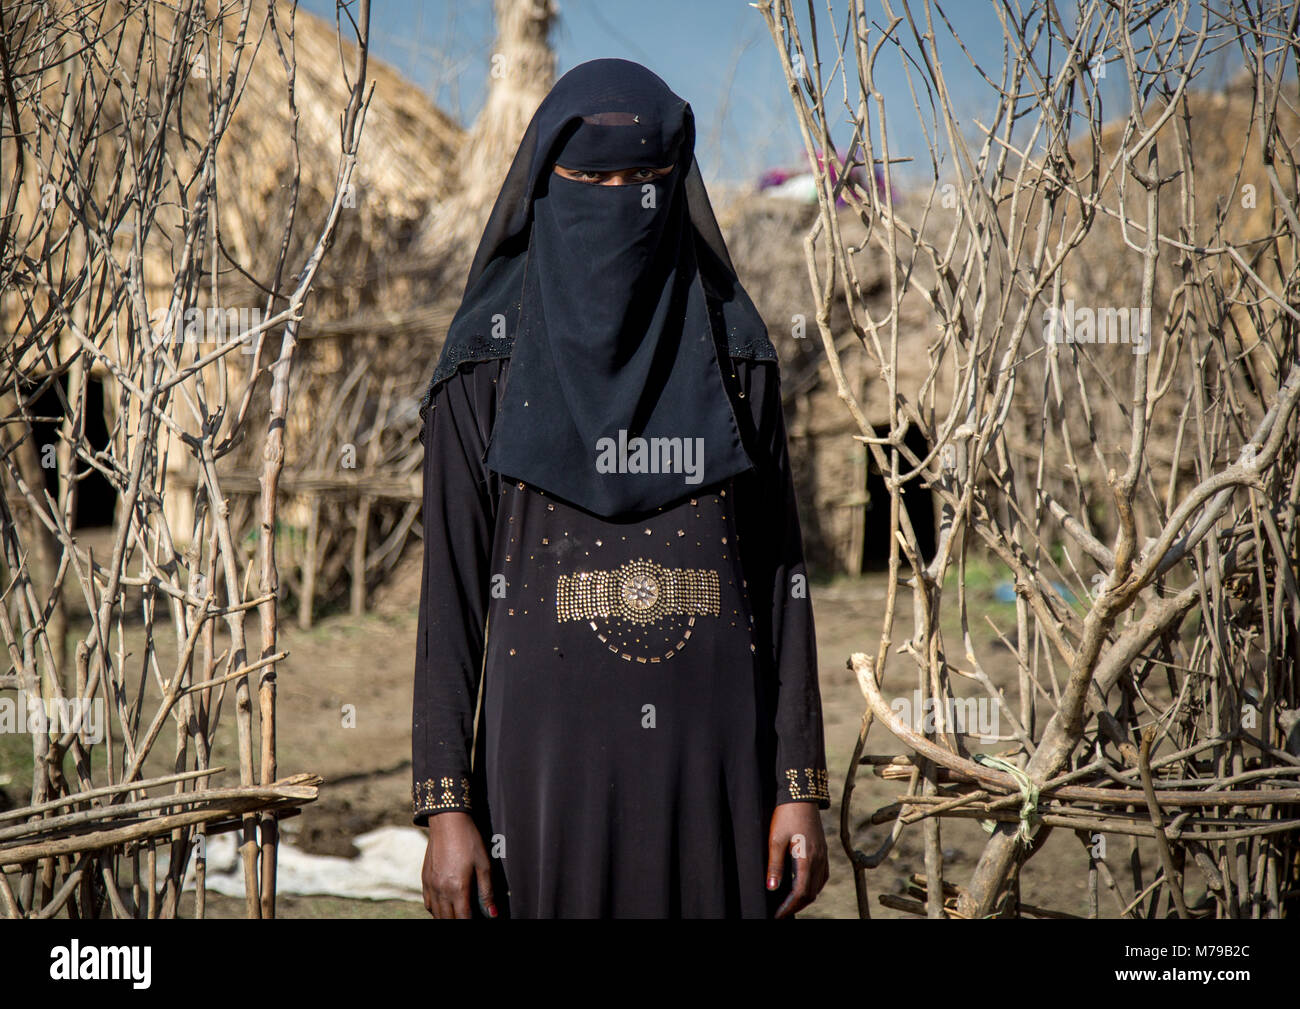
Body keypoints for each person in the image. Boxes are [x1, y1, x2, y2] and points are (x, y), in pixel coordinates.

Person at [412, 58, 829, 919]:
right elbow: (448, 596)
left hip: (714, 767)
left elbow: (783, 584)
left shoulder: (737, 361)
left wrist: (798, 785)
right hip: (542, 779)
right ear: (544, 182)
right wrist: (446, 804)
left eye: (644, 176)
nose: (622, 197)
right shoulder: (484, 368)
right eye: (593, 176)